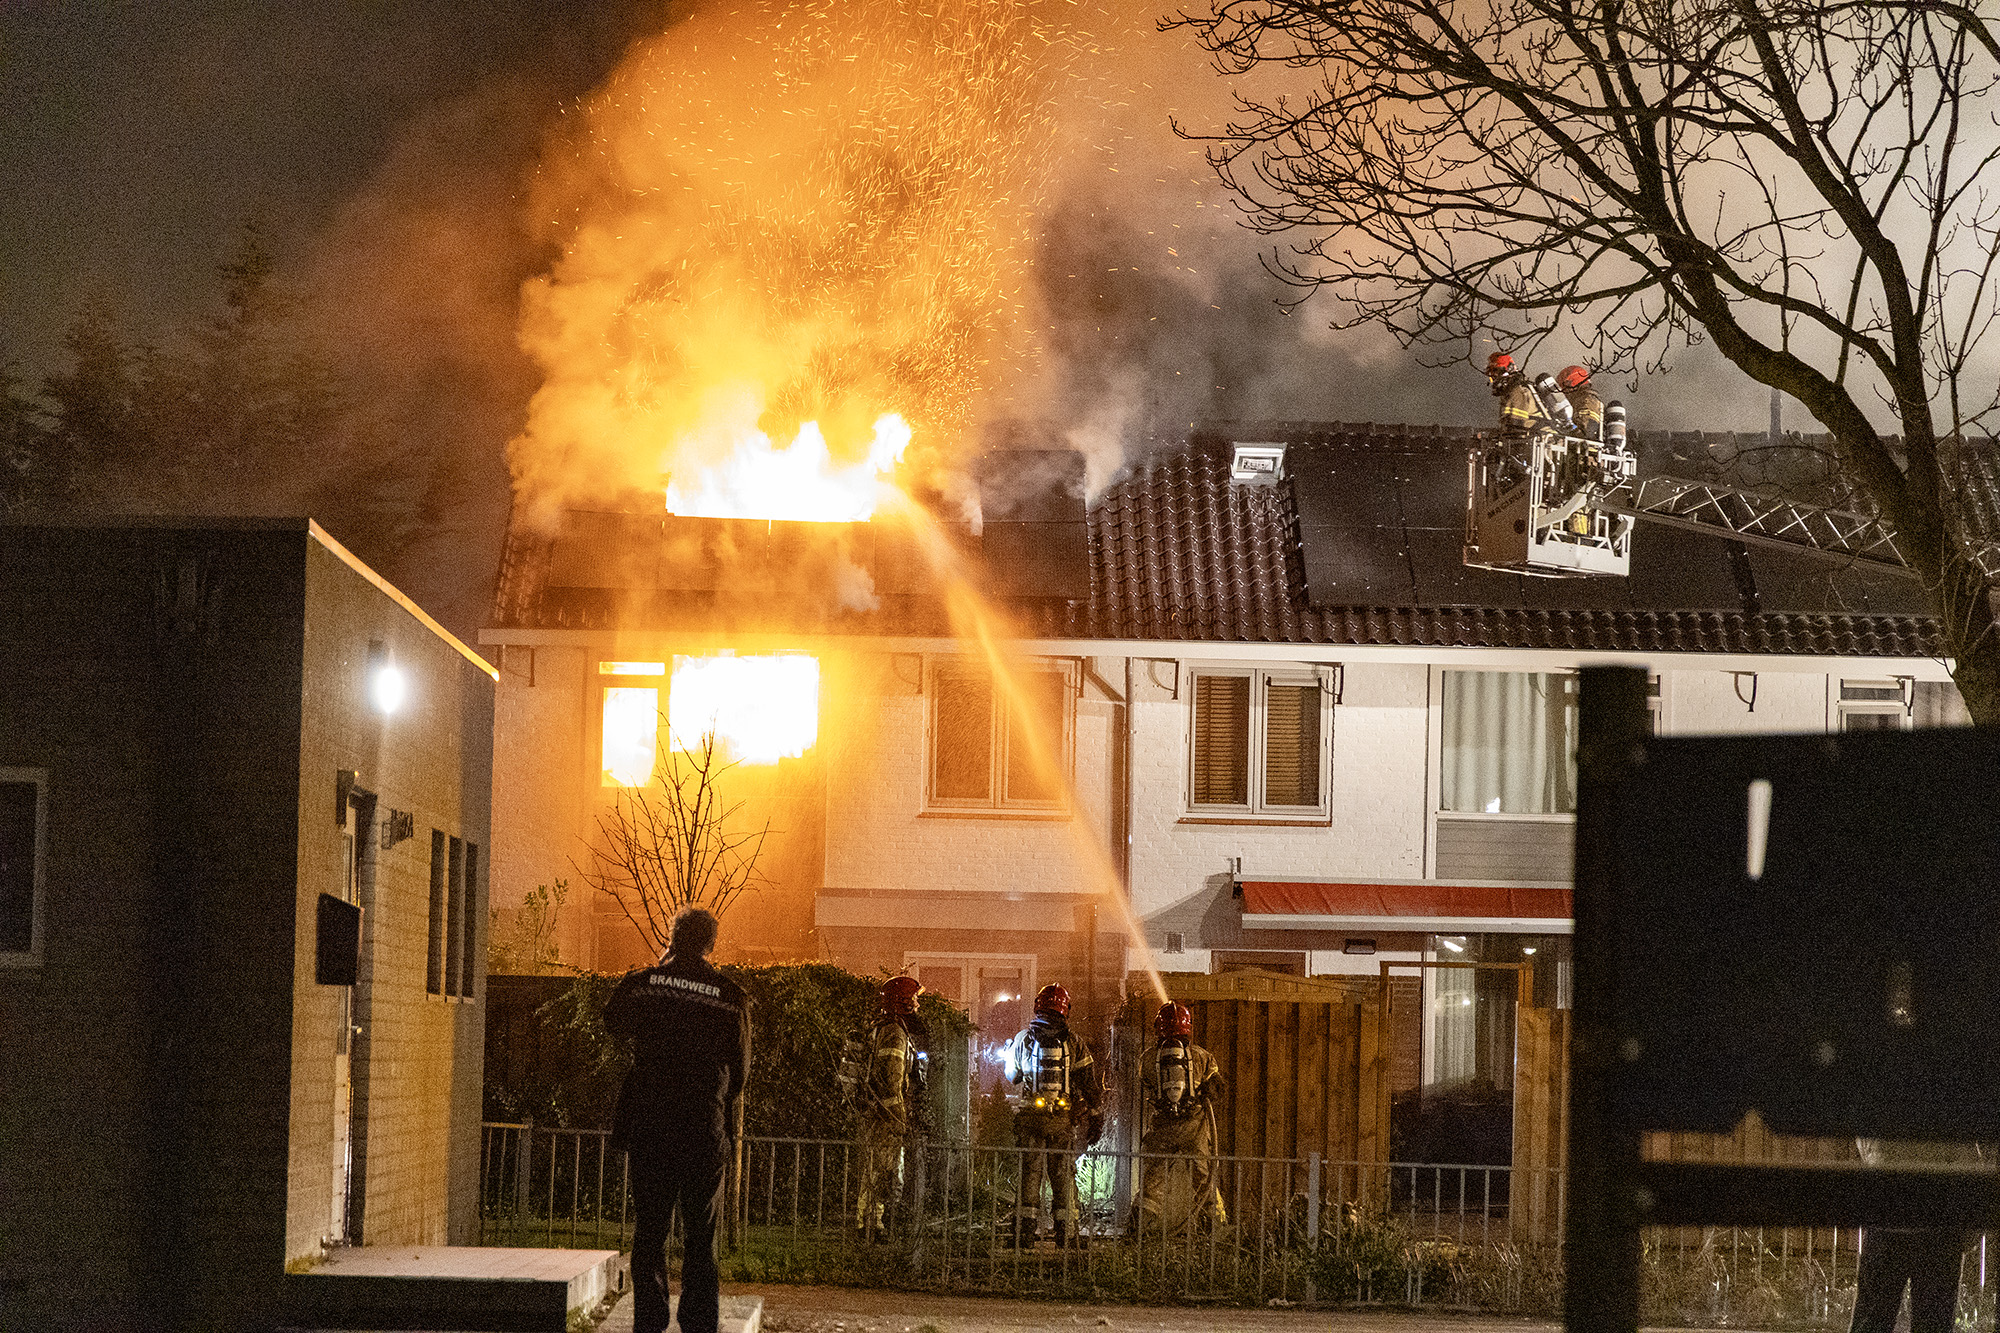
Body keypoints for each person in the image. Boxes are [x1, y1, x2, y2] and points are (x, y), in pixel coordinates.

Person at [605, 908, 751, 1333]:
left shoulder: (642, 985)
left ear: (672, 937)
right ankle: (698, 1324)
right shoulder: (729, 996)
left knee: (649, 1232)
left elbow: (613, 1020)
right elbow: (740, 1071)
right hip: (702, 1132)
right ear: (711, 944)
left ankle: (649, 1323)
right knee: (701, 1238)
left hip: (650, 1128)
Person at [1004, 982, 1103, 1249]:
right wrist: (1095, 1116)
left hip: (1030, 1118)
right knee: (1063, 1175)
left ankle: (1023, 1234)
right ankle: (1067, 1234)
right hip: (1062, 1119)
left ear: (1038, 1006)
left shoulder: (1024, 1039)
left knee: (1029, 1174)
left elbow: (1012, 1077)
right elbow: (1089, 1085)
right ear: (1065, 1010)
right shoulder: (1074, 1042)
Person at [1848, 1137, 1977, 1333]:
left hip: (1888, 1222)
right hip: (1937, 1229)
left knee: (1872, 1319)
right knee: (1934, 1321)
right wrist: (1968, 1232)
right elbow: (1969, 1163)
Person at [1130, 1002, 1225, 1238]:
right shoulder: (1202, 1056)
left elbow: (1147, 1083)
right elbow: (1218, 1090)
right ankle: (1216, 1227)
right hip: (1194, 1125)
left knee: (1153, 1179)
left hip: (1162, 1126)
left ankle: (1139, 1227)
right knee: (1204, 1176)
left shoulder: (1148, 1057)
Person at [852, 975, 928, 1243]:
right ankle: (871, 1225)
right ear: (903, 1001)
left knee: (875, 1168)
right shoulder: (894, 1032)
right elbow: (892, 1080)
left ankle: (870, 1221)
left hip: (877, 1111)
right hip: (886, 1114)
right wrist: (899, 1118)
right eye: (914, 998)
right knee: (882, 1169)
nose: (918, 1004)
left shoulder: (882, 1027)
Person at [1484, 351, 1538, 441]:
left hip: (1539, 445)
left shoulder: (1518, 391)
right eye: (1492, 375)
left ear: (1508, 370)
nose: (1494, 378)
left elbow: (1517, 426)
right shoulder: (1509, 393)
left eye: (1496, 372)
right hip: (1529, 441)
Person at [1557, 365, 1604, 440]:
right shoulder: (1582, 400)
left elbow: (1584, 432)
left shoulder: (1587, 401)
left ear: (1572, 384)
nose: (1564, 393)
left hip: (1583, 449)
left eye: (1564, 388)